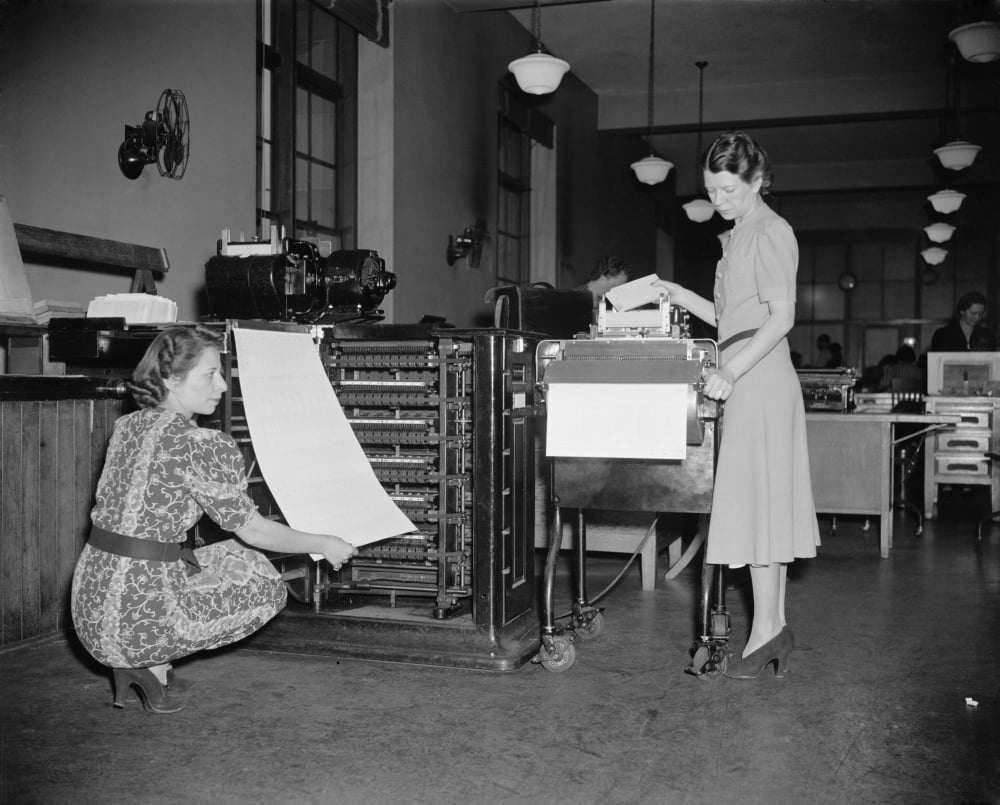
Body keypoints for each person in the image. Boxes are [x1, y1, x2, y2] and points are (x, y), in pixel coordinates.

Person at [71, 325, 357, 713]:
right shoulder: (203, 444)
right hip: (137, 624)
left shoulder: (129, 426)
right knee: (266, 585)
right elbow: (254, 530)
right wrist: (324, 543)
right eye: (209, 374)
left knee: (233, 556)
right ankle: (154, 660)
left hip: (90, 608)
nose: (221, 385)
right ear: (172, 379)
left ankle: (147, 663)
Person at [652, 131, 820, 680]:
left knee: (761, 505)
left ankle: (769, 628)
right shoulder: (740, 235)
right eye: (710, 189)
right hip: (744, 369)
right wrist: (678, 294)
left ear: (756, 180)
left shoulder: (771, 231)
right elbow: (730, 321)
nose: (717, 200)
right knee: (757, 509)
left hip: (760, 375)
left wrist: (730, 370)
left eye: (727, 189)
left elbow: (781, 318)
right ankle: (769, 628)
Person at [930, 291, 997, 352]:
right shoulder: (942, 335)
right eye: (973, 313)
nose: (977, 318)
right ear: (962, 311)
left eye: (980, 313)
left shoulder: (987, 335)